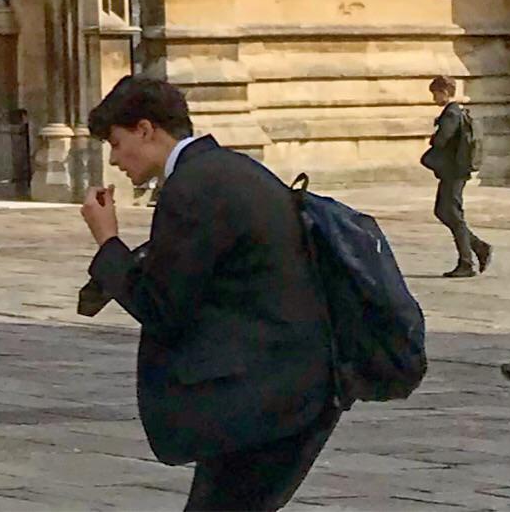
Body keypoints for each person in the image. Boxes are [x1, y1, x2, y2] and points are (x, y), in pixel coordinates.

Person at [77, 73, 335, 512]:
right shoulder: (224, 170)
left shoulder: (193, 187)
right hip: (281, 394)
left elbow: (162, 308)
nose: (116, 160)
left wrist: (108, 242)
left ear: (146, 129)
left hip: (266, 402)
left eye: (117, 144)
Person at [423, 74, 490, 275]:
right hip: (454, 171)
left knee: (452, 214)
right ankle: (477, 247)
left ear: (444, 92)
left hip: (454, 171)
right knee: (443, 211)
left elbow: (442, 140)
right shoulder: (458, 111)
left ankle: (467, 261)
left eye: (435, 94)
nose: (434, 99)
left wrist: (434, 138)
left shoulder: (451, 113)